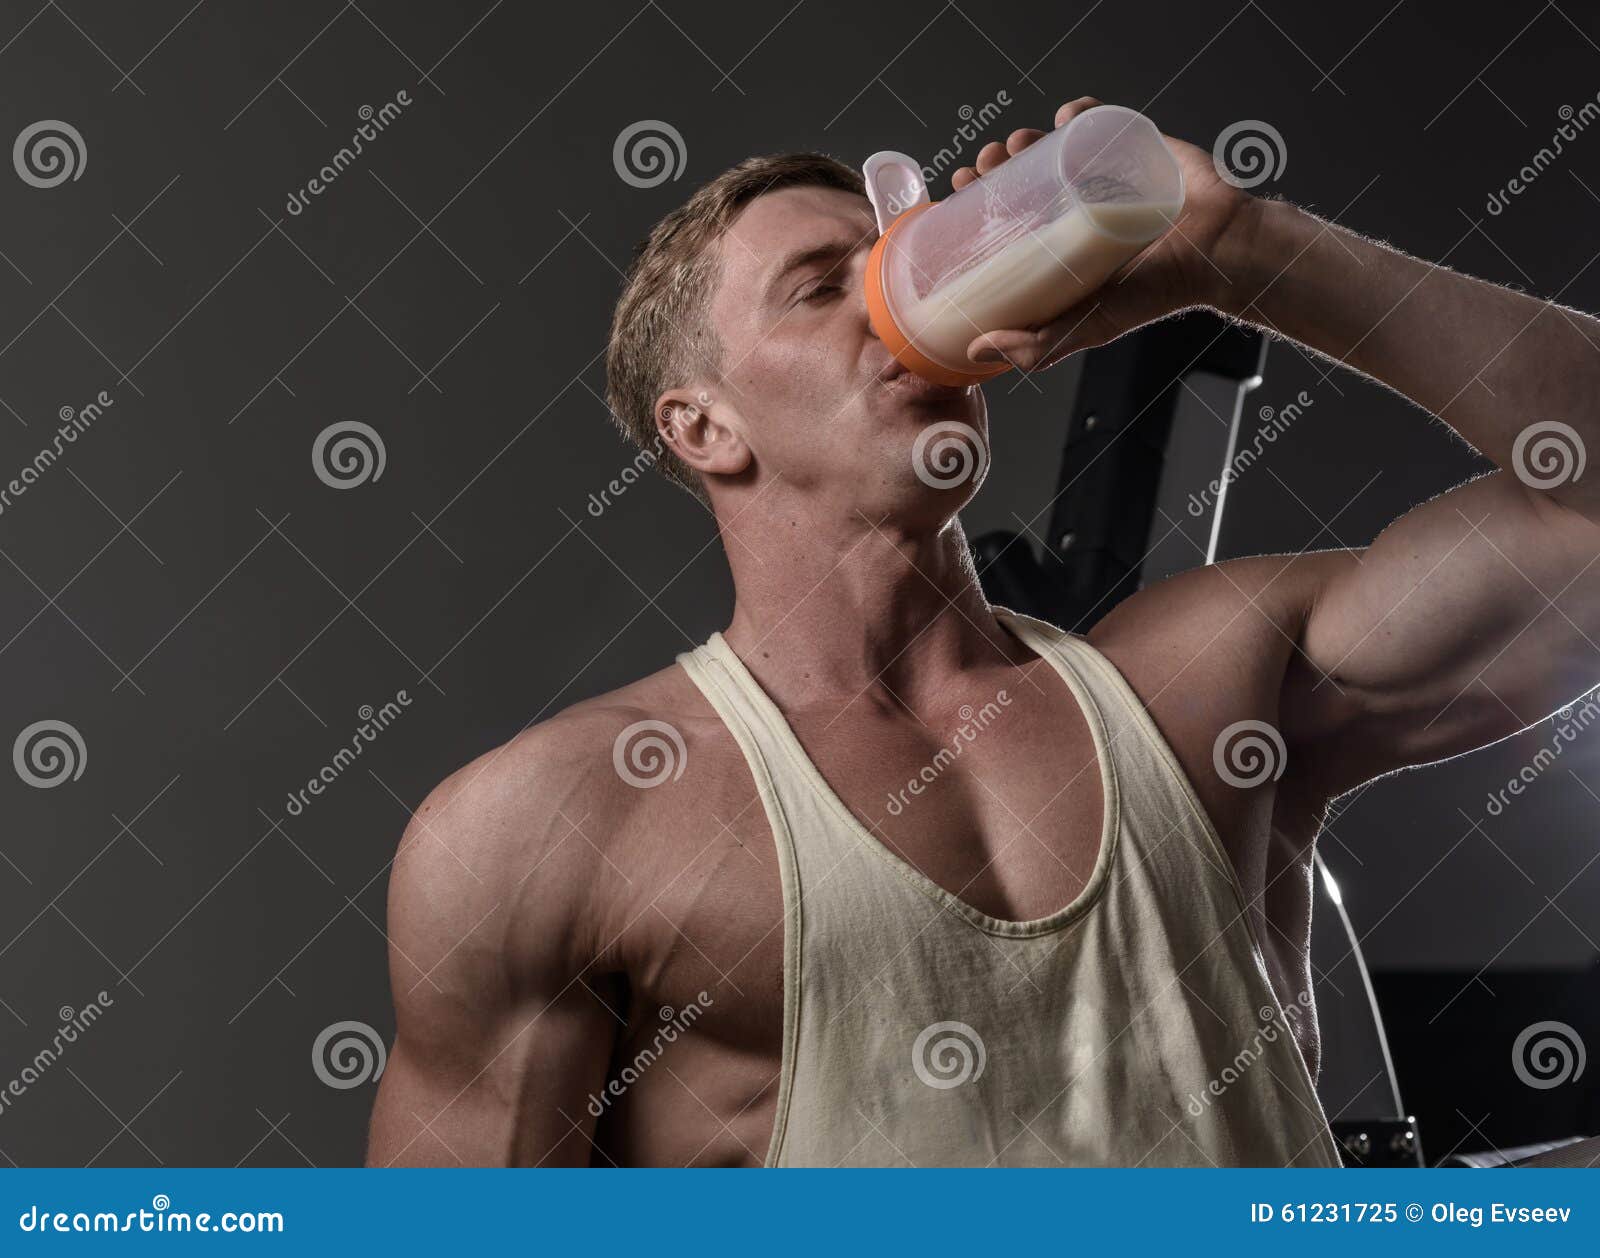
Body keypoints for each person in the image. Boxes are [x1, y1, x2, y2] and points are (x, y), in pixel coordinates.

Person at [366, 97, 1600, 1167]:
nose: (901, 299)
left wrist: (1245, 253)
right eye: (817, 288)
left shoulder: (1202, 690)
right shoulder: (553, 827)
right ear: (703, 428)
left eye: (899, 258)